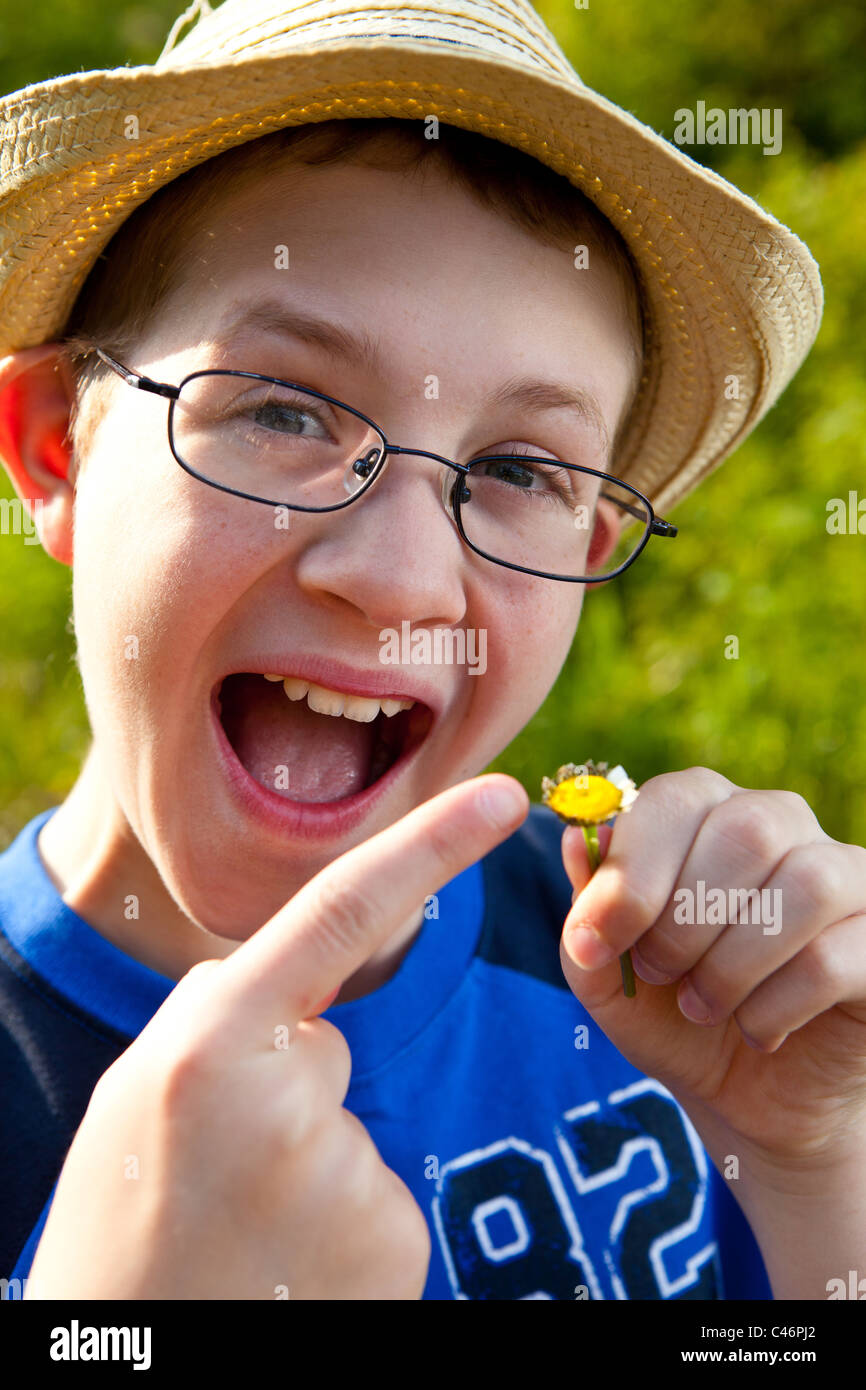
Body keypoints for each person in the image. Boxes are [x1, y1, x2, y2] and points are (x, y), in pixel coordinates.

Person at [0, 0, 860, 1302]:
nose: (398, 577)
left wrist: (806, 1173)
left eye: (521, 468)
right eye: (284, 408)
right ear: (55, 447)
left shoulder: (668, 1003)